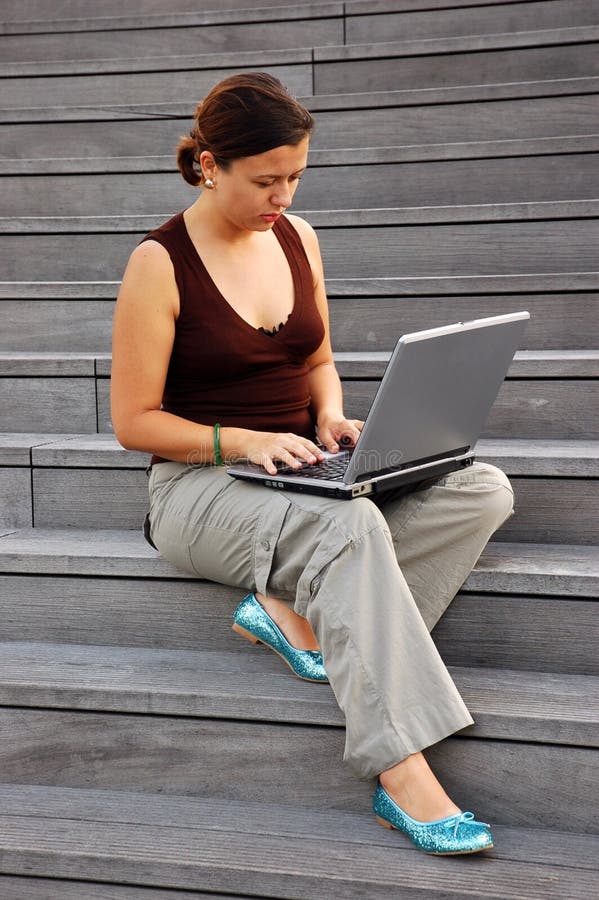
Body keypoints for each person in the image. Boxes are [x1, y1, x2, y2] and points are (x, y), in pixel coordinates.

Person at [111, 72, 514, 856]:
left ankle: (294, 616)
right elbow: (134, 423)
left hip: (300, 470)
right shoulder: (158, 264)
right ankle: (403, 775)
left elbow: (318, 357)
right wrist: (244, 441)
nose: (282, 196)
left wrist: (328, 413)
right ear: (208, 166)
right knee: (350, 527)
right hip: (199, 485)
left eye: (295, 176)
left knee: (479, 488)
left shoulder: (297, 237)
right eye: (265, 180)